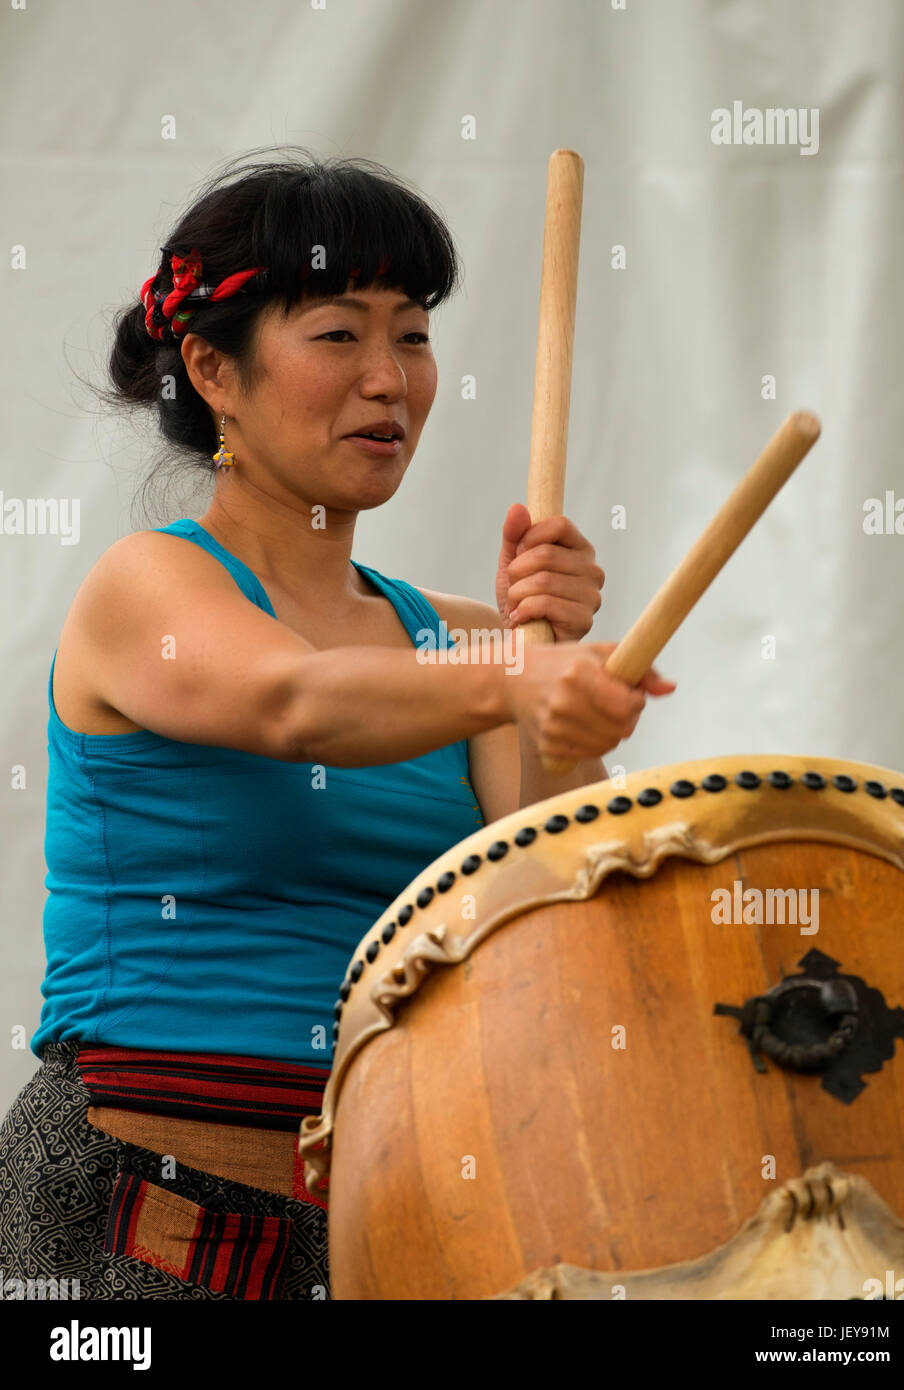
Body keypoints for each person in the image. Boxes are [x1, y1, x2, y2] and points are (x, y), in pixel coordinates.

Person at [0, 149, 675, 1301]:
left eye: (411, 335)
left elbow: (569, 897)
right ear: (212, 368)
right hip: (147, 1213)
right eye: (338, 334)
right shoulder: (146, 590)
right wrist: (513, 674)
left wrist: (548, 655)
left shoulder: (458, 641)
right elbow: (293, 699)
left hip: (391, 1223)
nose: (388, 379)